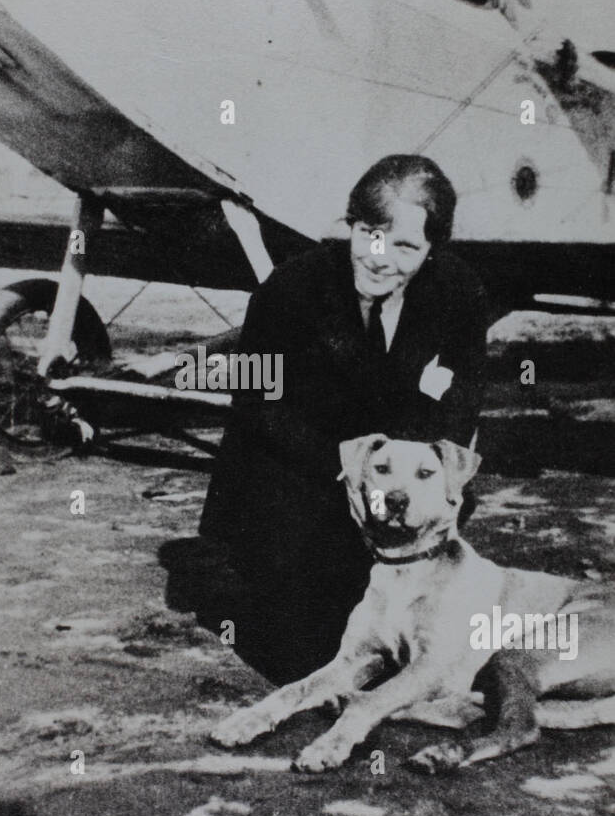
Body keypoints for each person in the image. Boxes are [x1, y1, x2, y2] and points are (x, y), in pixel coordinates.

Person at [197, 154, 489, 685]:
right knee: (309, 658)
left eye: (405, 246)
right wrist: (340, 462)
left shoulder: (458, 290)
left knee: (428, 647)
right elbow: (255, 403)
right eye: (369, 234)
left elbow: (462, 394)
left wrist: (433, 478)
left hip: (388, 480)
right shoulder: (289, 289)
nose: (380, 258)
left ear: (432, 251)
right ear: (350, 226)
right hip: (295, 473)